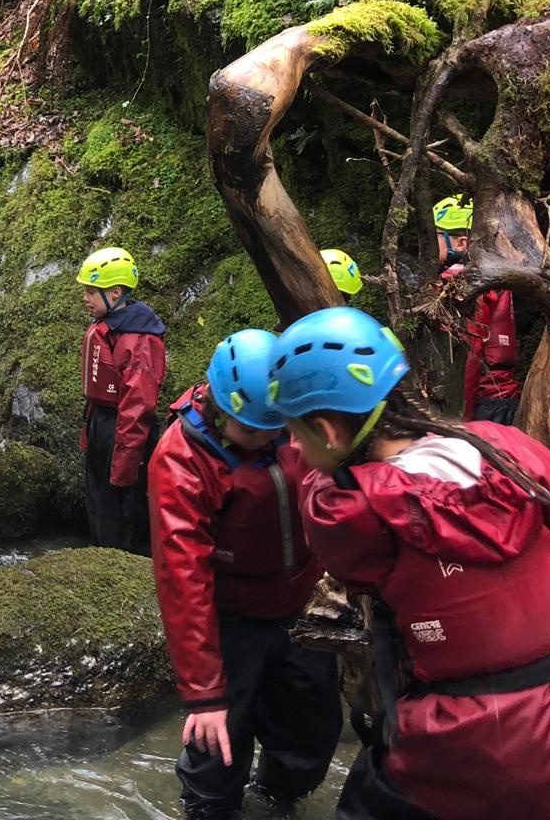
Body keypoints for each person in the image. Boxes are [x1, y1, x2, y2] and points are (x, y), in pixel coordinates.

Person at [268, 306, 550, 820]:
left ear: (329, 432)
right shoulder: (505, 449)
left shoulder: (344, 511)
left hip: (466, 747)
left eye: (297, 431)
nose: (292, 446)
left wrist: (334, 464)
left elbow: (330, 515)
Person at [150, 329, 341, 819]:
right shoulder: (182, 458)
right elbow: (183, 579)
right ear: (219, 406)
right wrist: (203, 695)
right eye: (253, 431)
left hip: (300, 603)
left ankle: (278, 800)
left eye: (276, 429)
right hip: (228, 617)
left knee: (311, 732)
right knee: (217, 745)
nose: (269, 440)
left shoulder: (283, 423)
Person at [78, 246, 166, 554]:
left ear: (115, 294)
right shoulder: (108, 327)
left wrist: (125, 464)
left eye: (92, 291)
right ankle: (97, 558)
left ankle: (126, 569)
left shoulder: (139, 339)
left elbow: (138, 405)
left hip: (126, 431)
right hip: (103, 422)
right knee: (99, 507)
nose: (85, 298)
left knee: (122, 512)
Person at [435, 194, 521, 425]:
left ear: (462, 243)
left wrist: (460, 418)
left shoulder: (465, 282)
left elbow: (468, 354)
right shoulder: (494, 276)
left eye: (437, 238)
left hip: (483, 403)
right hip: (502, 396)